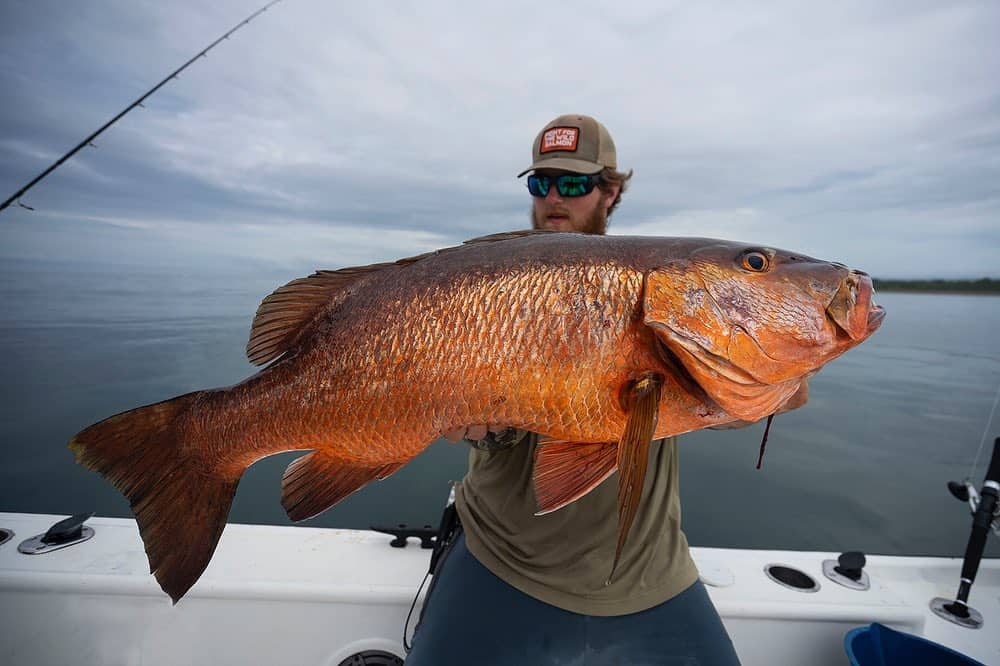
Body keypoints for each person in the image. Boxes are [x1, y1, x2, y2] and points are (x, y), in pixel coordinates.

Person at [404, 114, 746, 665]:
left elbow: (769, 392)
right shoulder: (493, 286)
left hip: (651, 573)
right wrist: (479, 427)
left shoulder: (659, 286)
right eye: (541, 183)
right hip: (498, 556)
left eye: (573, 183)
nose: (553, 198)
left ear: (610, 192)